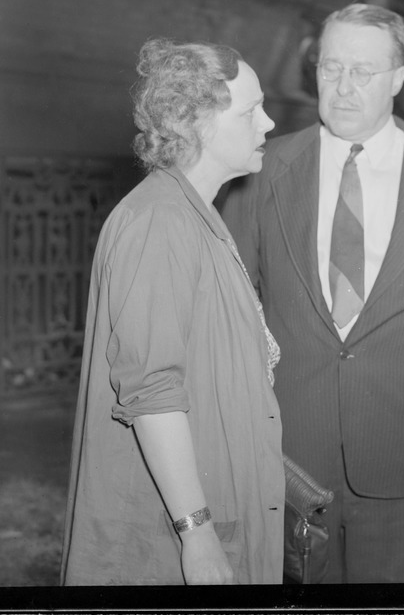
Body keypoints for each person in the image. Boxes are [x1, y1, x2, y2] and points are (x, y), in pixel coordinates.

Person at [221, 3, 404, 583]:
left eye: (363, 72)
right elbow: (236, 305)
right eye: (330, 67)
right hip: (290, 455)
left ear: (398, 80)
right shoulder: (263, 171)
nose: (342, 88)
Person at [60, 38, 284, 585]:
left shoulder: (193, 213)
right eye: (251, 110)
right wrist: (199, 534)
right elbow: (154, 393)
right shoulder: (160, 222)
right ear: (193, 122)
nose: (270, 123)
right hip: (173, 538)